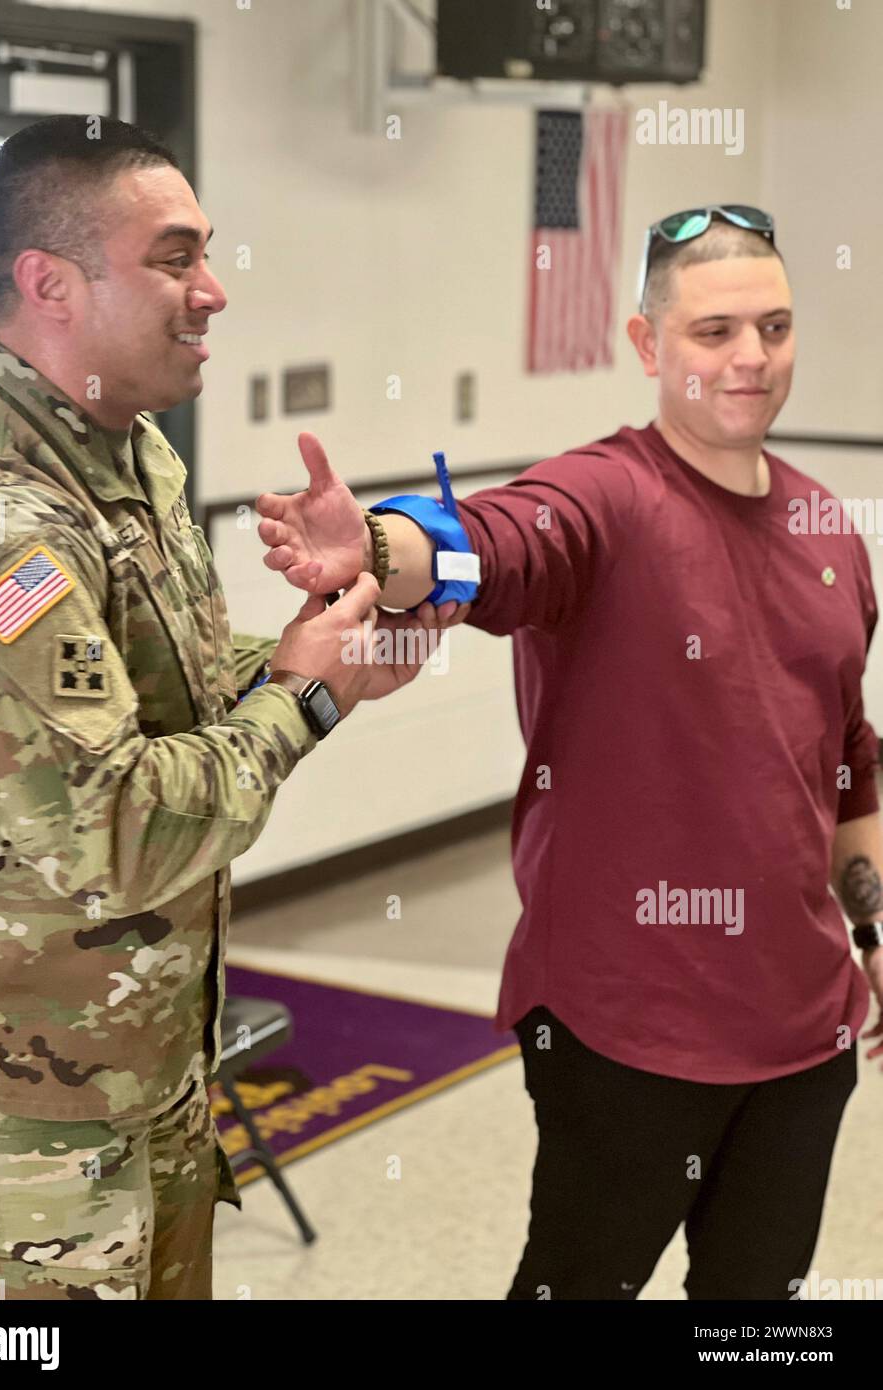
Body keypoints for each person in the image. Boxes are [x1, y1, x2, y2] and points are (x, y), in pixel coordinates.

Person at [257, 206, 883, 1300]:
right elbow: (486, 543)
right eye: (714, 331)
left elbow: (848, 758)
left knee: (760, 1307)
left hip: (802, 1034)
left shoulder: (829, 524)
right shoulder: (607, 497)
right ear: (648, 346)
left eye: (775, 328)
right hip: (625, 1026)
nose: (751, 358)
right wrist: (380, 546)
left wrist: (872, 929)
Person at [0, 115, 442, 1300]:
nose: (213, 290)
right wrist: (303, 696)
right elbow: (117, 828)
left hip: (148, 1090)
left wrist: (331, 656)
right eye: (174, 257)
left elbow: (159, 698)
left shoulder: (125, 450)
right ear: (47, 283)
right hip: (14, 1161)